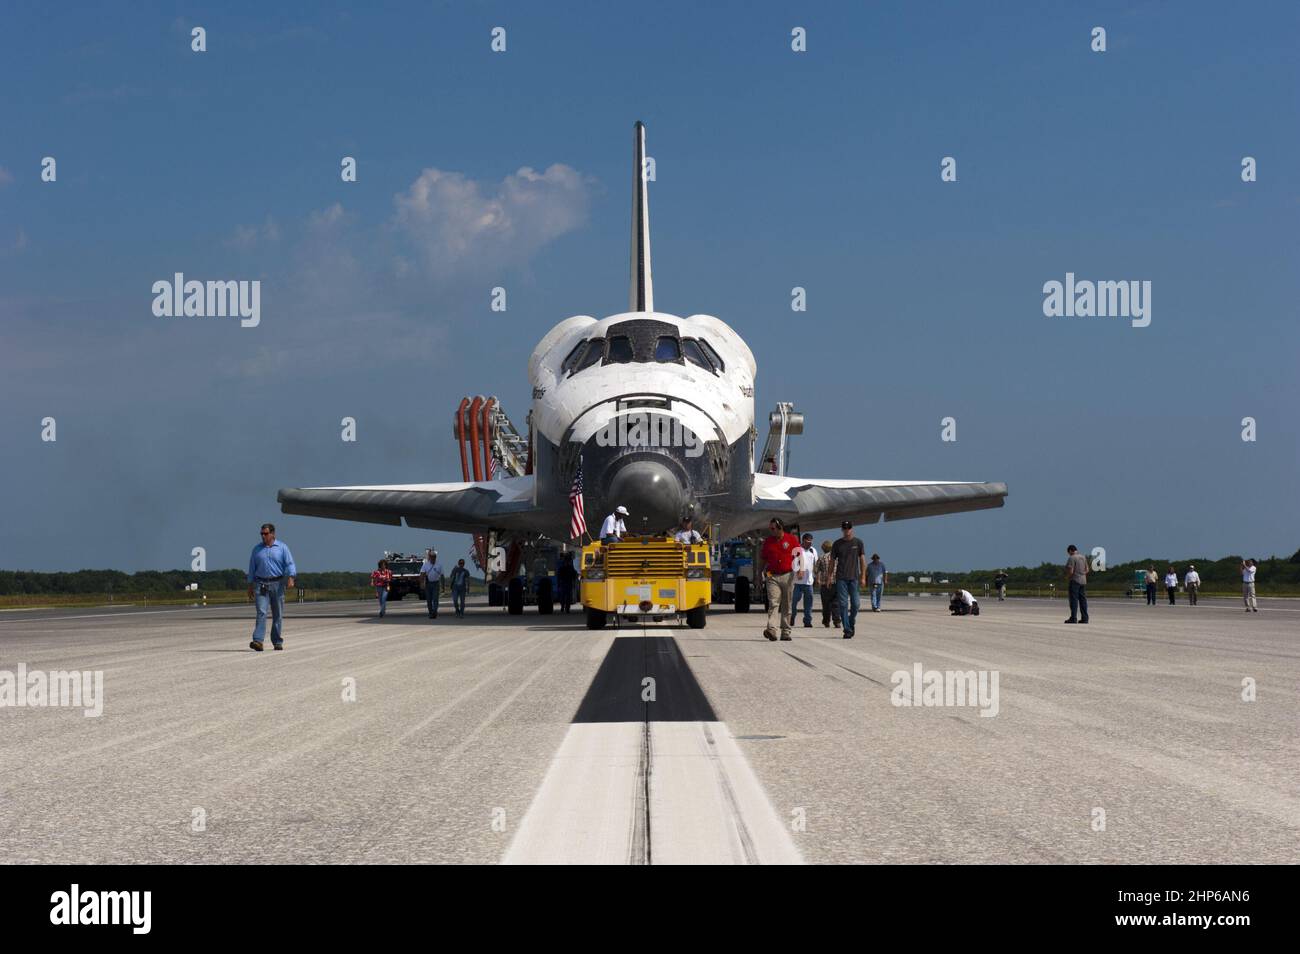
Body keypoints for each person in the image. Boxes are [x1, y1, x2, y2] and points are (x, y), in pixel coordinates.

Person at [246, 522, 296, 651]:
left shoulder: (282, 548)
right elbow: (252, 568)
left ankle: (277, 641)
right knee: (261, 612)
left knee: (277, 614)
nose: (263, 536)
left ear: (273, 534)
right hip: (260, 584)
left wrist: (291, 577)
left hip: (277, 584)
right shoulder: (256, 549)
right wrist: (250, 585)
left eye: (266, 533)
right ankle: (258, 641)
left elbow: (289, 563)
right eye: (261, 534)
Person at [758, 517, 800, 641]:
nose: (771, 531)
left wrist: (801, 569)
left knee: (787, 604)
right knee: (773, 603)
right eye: (770, 528)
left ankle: (785, 631)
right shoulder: (768, 541)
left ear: (780, 528)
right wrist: (758, 575)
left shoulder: (791, 539)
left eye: (773, 528)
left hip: (788, 575)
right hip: (772, 575)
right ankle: (771, 630)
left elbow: (799, 554)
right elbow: (763, 559)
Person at [828, 521, 866, 638]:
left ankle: (851, 621)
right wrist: (829, 577)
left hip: (853, 578)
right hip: (841, 578)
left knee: (856, 604)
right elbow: (832, 561)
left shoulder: (858, 543)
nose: (846, 530)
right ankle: (847, 630)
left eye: (848, 528)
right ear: (842, 530)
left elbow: (862, 560)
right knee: (843, 604)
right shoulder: (837, 544)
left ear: (851, 529)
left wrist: (863, 576)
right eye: (844, 528)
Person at [790, 532, 817, 629]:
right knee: (794, 601)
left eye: (811, 542)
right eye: (807, 542)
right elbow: (793, 562)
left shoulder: (813, 551)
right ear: (803, 541)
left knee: (808, 603)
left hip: (809, 582)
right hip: (798, 582)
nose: (809, 544)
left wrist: (816, 576)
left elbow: (815, 564)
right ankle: (792, 616)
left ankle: (807, 621)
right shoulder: (797, 550)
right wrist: (798, 571)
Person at [1063, 544, 1089, 624]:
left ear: (1070, 551)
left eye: (1069, 552)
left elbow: (1071, 570)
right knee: (1083, 600)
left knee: (1073, 600)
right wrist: (1082, 574)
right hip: (1083, 581)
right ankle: (1085, 618)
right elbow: (1087, 569)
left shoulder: (1072, 558)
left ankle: (1073, 618)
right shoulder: (1083, 557)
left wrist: (1067, 577)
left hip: (1075, 581)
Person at [420, 549, 444, 619]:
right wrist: (421, 583)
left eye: (434, 557)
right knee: (429, 599)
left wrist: (443, 585)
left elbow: (442, 575)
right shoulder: (425, 565)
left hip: (436, 584)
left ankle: (435, 611)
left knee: (435, 599)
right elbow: (422, 574)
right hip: (428, 584)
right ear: (429, 557)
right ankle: (431, 612)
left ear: (435, 557)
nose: (433, 558)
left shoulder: (439, 565)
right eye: (431, 557)